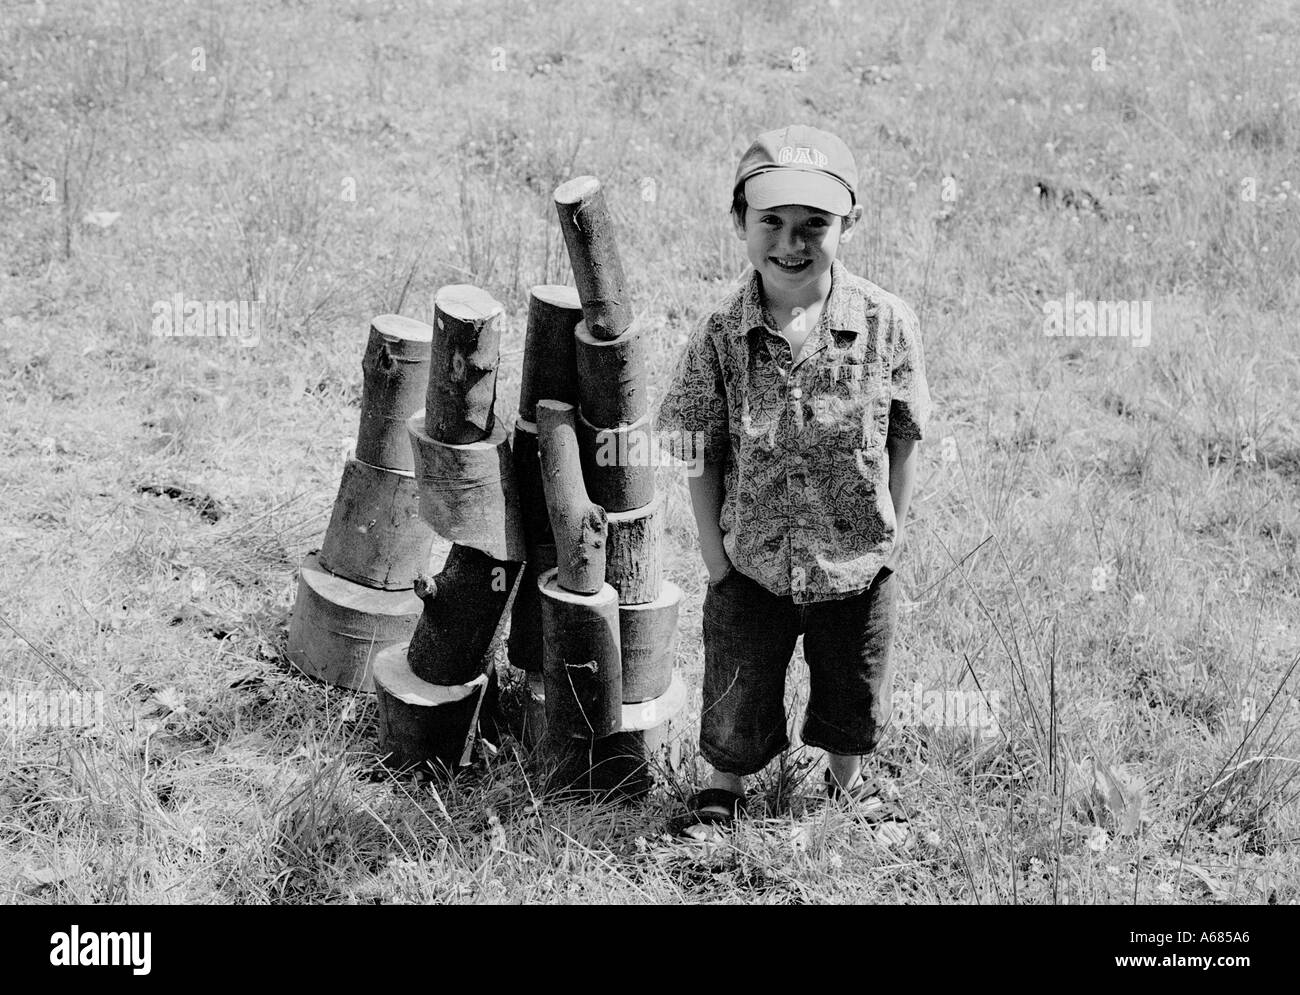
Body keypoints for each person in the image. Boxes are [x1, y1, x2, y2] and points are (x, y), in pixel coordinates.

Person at [653, 125, 931, 840]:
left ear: (850, 223)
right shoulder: (719, 332)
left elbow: (902, 435)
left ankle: (849, 783)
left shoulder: (886, 322)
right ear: (740, 219)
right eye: (771, 221)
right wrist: (718, 559)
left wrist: (890, 534)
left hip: (855, 560)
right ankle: (723, 787)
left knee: (852, 681)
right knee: (738, 683)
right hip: (753, 561)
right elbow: (696, 446)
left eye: (815, 225)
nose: (791, 242)